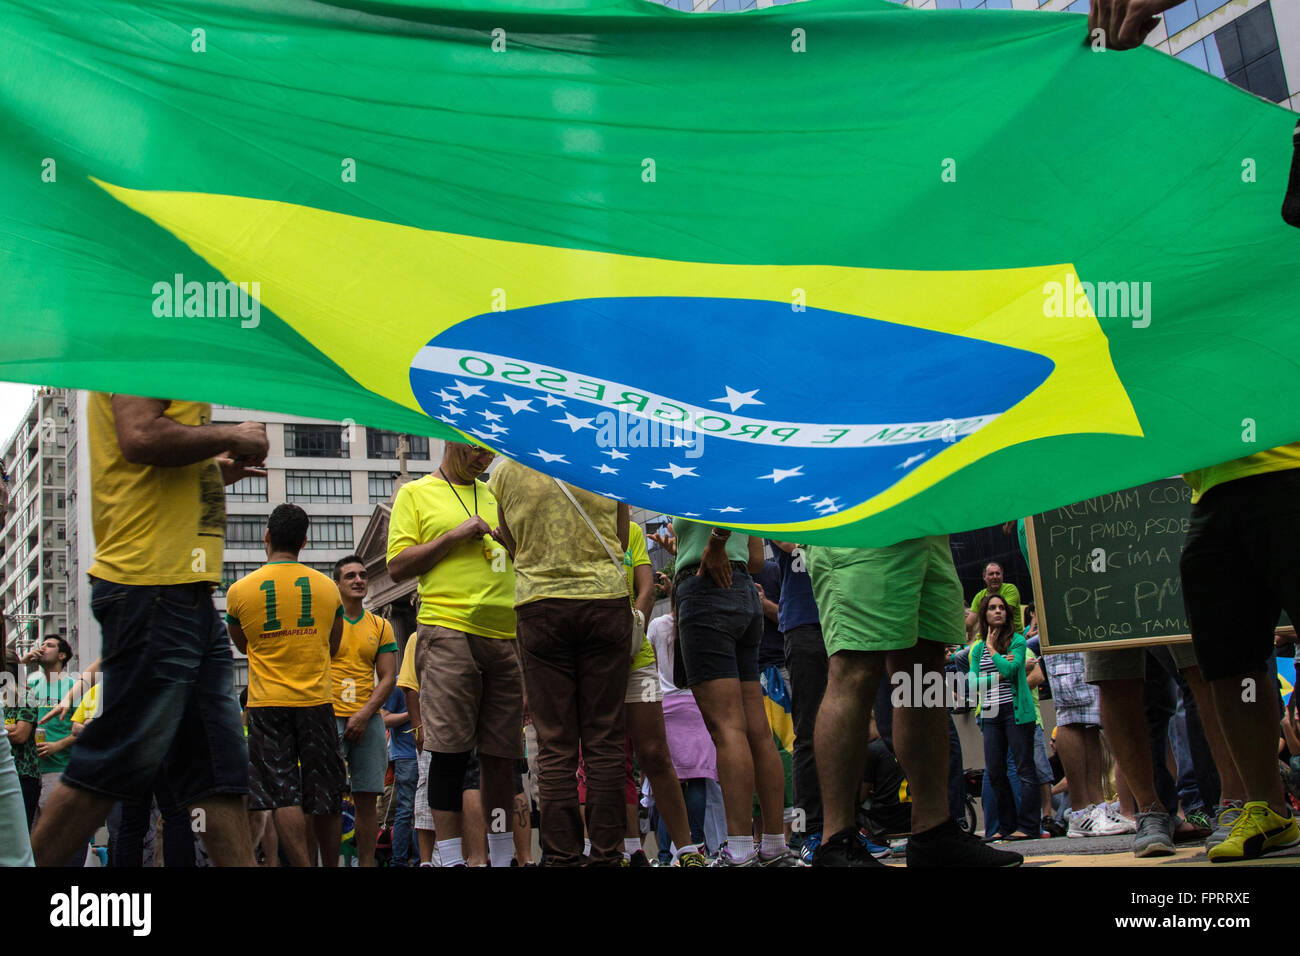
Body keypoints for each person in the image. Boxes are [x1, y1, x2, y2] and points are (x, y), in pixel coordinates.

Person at [29, 394, 264, 868]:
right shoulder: (148, 335)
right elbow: (139, 437)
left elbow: (147, 473)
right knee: (115, 760)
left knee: (217, 777)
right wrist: (230, 435)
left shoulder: (173, 357)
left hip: (187, 594)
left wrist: (210, 470)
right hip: (151, 586)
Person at [807, 537, 1022, 867]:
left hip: (924, 525)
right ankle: (837, 842)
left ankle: (933, 831)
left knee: (922, 672)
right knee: (855, 664)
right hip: (860, 520)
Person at [487, 458, 632, 867]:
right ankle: (607, 855)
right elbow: (620, 537)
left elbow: (510, 543)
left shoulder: (505, 468)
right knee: (604, 740)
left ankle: (562, 856)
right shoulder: (604, 457)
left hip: (539, 606)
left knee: (554, 743)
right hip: (603, 600)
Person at [387, 441, 521, 869]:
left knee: (503, 756)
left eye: (490, 452)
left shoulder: (496, 493)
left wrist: (512, 544)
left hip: (504, 633)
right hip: (448, 628)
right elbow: (397, 566)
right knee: (449, 752)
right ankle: (449, 859)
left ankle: (501, 857)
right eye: (478, 450)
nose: (486, 458)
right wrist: (455, 535)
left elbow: (525, 556)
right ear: (450, 440)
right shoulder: (415, 493)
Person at [227, 504, 347, 867]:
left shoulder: (239, 591)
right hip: (316, 701)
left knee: (282, 794)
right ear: (304, 541)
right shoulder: (329, 589)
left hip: (266, 704)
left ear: (267, 537)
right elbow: (335, 646)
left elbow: (242, 645)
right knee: (326, 793)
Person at [670, 520, 791, 866]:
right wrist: (718, 545)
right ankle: (773, 845)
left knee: (727, 729)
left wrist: (717, 543)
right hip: (743, 591)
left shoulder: (696, 469)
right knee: (757, 730)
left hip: (704, 589)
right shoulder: (738, 479)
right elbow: (755, 560)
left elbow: (712, 539)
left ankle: (738, 849)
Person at [618, 521, 704, 865]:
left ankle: (686, 850)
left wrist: (633, 628)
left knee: (656, 756)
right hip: (596, 658)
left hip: (639, 662)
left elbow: (646, 588)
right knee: (609, 757)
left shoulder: (633, 533)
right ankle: (626, 849)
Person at [329, 555, 398, 867]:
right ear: (337, 584)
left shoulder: (381, 625)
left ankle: (366, 863)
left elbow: (388, 677)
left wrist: (363, 714)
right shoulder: (324, 623)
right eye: (350, 576)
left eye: (362, 575)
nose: (358, 580)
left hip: (367, 718)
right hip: (328, 717)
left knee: (368, 799)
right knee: (324, 800)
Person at [954, 594, 1040, 841]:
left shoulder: (1018, 641)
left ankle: (1029, 826)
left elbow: (1012, 670)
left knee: (1025, 769)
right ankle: (1006, 826)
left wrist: (994, 653)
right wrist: (1000, 673)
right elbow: (971, 684)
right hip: (990, 714)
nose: (998, 611)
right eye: (992, 608)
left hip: (1016, 712)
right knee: (996, 771)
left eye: (1001, 607)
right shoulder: (976, 649)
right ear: (984, 614)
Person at [647, 572, 719, 861]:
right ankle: (696, 848)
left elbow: (649, 662)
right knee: (698, 779)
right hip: (695, 703)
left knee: (670, 783)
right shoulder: (696, 624)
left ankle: (665, 855)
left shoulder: (656, 625)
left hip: (665, 705)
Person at [768, 539, 825, 860]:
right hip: (805, 625)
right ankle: (811, 831)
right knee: (809, 732)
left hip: (844, 616)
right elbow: (792, 545)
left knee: (848, 728)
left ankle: (847, 825)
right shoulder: (785, 499)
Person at [380, 683, 418, 867]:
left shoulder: (431, 676)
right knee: (407, 809)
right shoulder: (399, 685)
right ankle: (400, 860)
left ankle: (421, 859)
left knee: (423, 810)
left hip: (429, 752)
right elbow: (384, 718)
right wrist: (412, 714)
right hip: (406, 755)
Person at [966, 562, 1022, 634]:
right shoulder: (979, 596)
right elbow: (970, 622)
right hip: (987, 638)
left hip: (1011, 637)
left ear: (1002, 576)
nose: (995, 577)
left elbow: (1004, 614)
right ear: (984, 577)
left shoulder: (1010, 589)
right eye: (991, 574)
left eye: (998, 573)